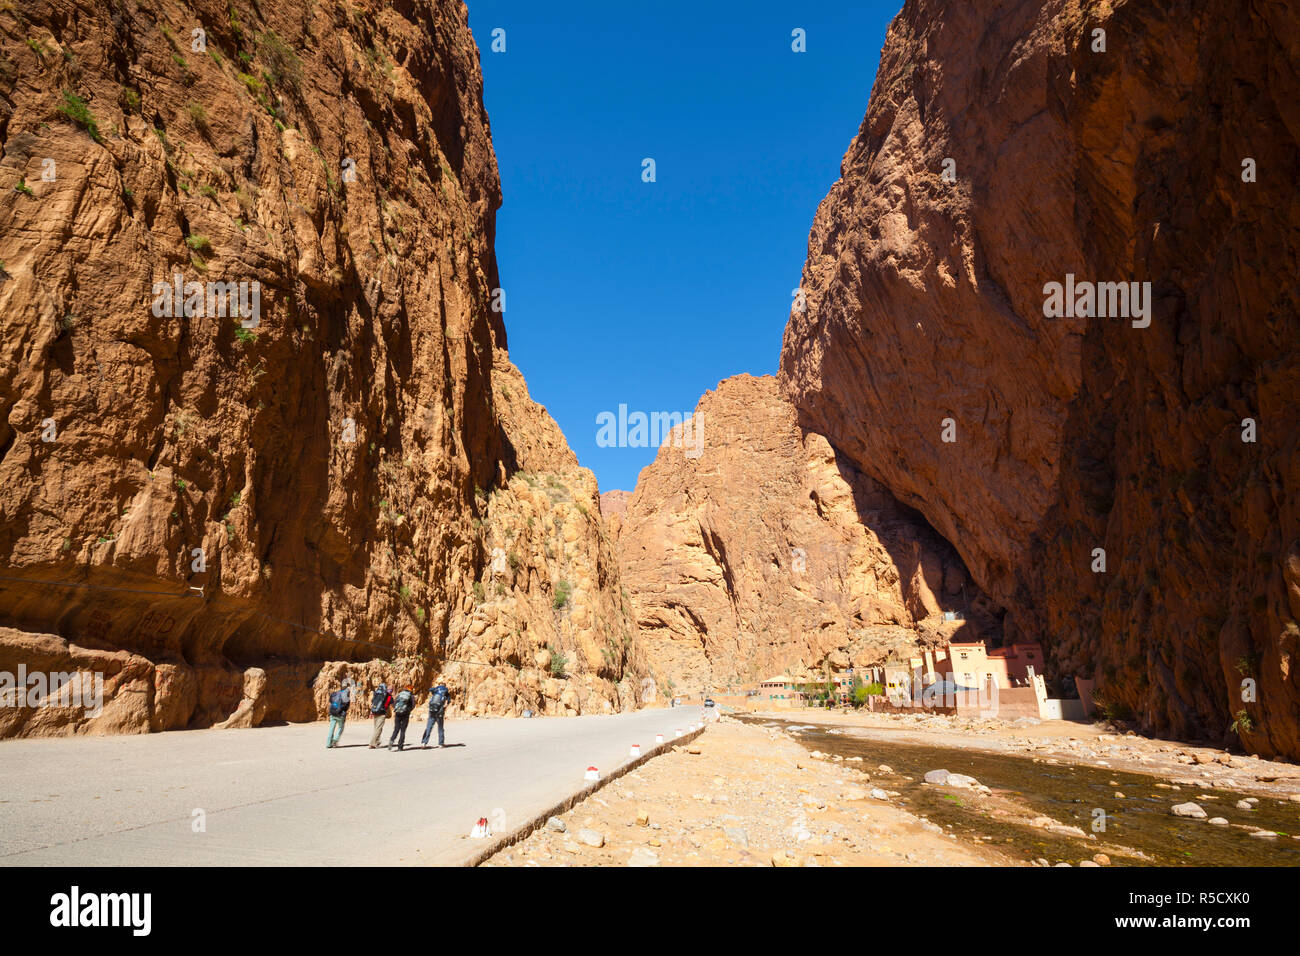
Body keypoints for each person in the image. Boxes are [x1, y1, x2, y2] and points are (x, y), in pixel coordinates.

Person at [422, 682, 450, 748]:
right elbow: (448, 700)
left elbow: (430, 689)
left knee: (429, 727)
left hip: (432, 710)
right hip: (440, 711)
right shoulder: (446, 690)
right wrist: (445, 706)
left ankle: (424, 743)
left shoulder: (436, 690)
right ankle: (441, 743)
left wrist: (436, 688)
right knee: (440, 727)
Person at [388, 685, 415, 751]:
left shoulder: (400, 694)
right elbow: (413, 705)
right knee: (403, 730)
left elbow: (394, 703)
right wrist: (408, 710)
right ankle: (400, 746)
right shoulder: (411, 695)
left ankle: (391, 741)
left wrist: (397, 709)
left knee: (396, 729)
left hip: (398, 713)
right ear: (411, 689)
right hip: (405, 714)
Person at [326, 680, 351, 748]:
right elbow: (346, 706)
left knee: (331, 728)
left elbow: (330, 701)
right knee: (341, 727)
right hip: (340, 715)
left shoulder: (335, 693)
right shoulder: (346, 696)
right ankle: (334, 741)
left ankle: (328, 743)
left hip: (332, 713)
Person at [369, 682, 393, 749]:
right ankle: (372, 744)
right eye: (391, 690)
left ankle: (377, 742)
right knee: (378, 729)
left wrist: (371, 712)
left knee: (377, 728)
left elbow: (373, 702)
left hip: (375, 712)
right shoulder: (388, 696)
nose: (391, 691)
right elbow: (393, 704)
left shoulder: (377, 694)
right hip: (382, 714)